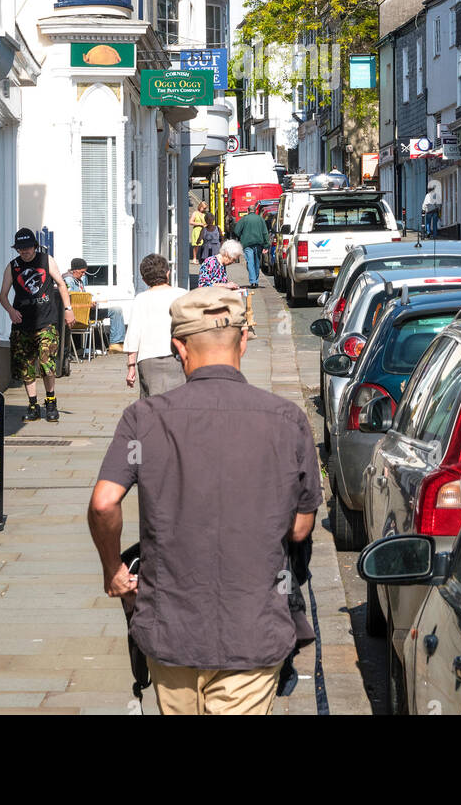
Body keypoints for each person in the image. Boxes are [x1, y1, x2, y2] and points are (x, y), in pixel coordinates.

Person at [88, 285, 322, 716]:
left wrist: (114, 571)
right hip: (253, 628)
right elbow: (300, 529)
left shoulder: (144, 419)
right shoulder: (287, 421)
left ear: (178, 347)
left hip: (171, 630)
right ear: (244, 340)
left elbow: (104, 502)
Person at [0, 227, 74, 423]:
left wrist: (68, 309)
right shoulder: (13, 267)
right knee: (26, 367)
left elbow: (61, 284)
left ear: (34, 246)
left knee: (47, 364)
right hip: (22, 325)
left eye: (28, 247)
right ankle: (33, 405)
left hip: (46, 322)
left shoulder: (46, 260)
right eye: (21, 248)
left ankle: (51, 402)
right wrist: (11, 311)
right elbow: (3, 296)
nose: (25, 252)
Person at [125, 254, 187, 397]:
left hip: (148, 359)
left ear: (144, 279)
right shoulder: (182, 294)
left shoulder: (141, 299)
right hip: (178, 355)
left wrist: (131, 366)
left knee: (151, 407)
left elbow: (133, 333)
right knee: (179, 403)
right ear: (167, 273)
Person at [63, 256, 125, 351]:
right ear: (74, 270)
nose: (83, 275)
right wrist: (87, 304)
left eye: (84, 272)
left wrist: (90, 303)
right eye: (82, 272)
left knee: (116, 310)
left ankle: (116, 345)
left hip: (87, 311)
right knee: (116, 310)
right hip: (78, 314)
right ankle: (116, 345)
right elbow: (71, 299)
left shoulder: (79, 280)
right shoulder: (68, 281)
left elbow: (81, 297)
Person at [233, 206, 269, 289]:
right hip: (258, 244)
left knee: (250, 262)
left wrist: (241, 236)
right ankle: (255, 281)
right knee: (257, 262)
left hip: (247, 244)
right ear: (255, 211)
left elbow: (236, 231)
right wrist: (266, 244)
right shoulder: (260, 219)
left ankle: (253, 281)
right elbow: (265, 232)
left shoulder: (244, 219)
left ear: (247, 211)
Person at [190, 201, 207, 265]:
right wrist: (200, 224)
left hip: (203, 230)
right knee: (196, 245)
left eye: (205, 208)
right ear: (200, 206)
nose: (204, 209)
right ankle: (194, 258)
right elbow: (191, 222)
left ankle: (202, 258)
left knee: (204, 245)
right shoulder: (195, 213)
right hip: (197, 230)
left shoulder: (205, 214)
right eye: (203, 208)